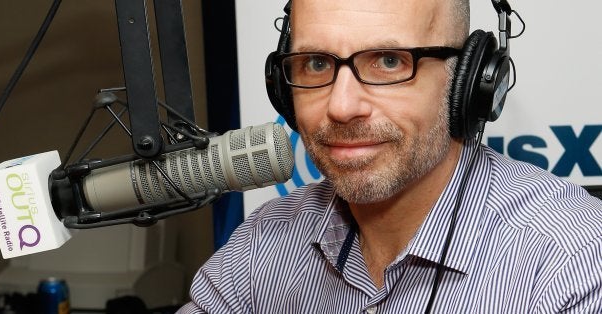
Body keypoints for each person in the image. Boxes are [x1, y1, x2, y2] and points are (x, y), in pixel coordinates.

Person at [178, 0, 602, 312]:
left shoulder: (572, 258)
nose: (341, 106)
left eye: (388, 60)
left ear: (471, 84)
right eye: (316, 63)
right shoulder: (261, 244)